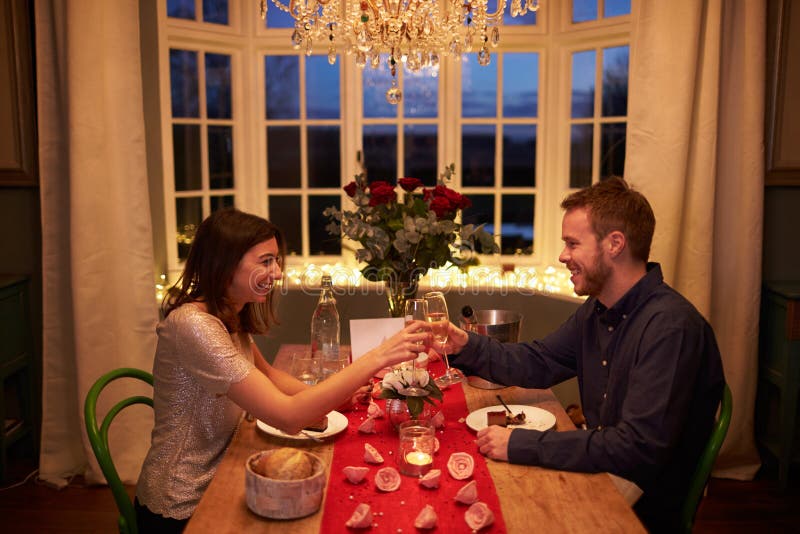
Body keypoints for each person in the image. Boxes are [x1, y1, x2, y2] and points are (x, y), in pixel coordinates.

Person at [442, 177, 724, 532]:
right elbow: (539, 361)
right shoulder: (598, 309)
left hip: (639, 501)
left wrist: (522, 444)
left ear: (615, 244)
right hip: (607, 464)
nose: (563, 256)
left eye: (572, 244)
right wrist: (465, 345)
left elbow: (635, 449)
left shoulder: (671, 327)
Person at [135, 208, 429, 532]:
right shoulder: (194, 325)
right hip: (185, 504)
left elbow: (271, 377)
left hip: (227, 471)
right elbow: (288, 417)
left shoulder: (227, 315)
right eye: (265, 262)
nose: (276, 273)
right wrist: (377, 356)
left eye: (276, 261)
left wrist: (337, 398)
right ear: (225, 263)